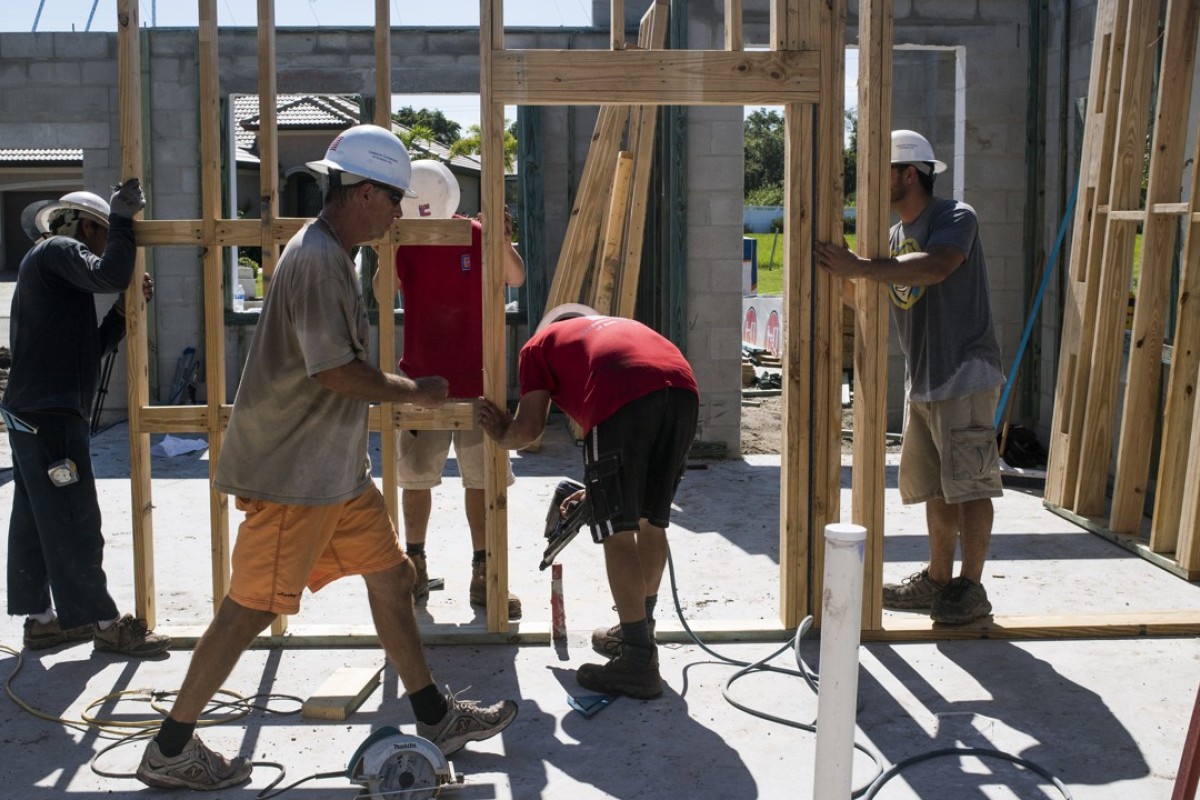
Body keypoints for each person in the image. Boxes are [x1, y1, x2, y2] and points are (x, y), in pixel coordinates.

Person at [136, 125, 517, 792]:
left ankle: (434, 716)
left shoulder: (330, 255)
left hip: (334, 473)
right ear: (364, 193)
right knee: (249, 609)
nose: (400, 213)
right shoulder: (316, 261)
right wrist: (414, 391)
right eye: (394, 199)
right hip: (295, 476)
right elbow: (334, 371)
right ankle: (171, 746)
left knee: (393, 578)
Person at [814, 129, 1004, 625]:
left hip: (964, 372)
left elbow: (937, 267)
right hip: (923, 380)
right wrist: (836, 281)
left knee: (971, 485)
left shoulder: (953, 217)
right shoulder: (895, 237)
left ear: (908, 174)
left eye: (881, 172)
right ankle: (938, 579)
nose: (871, 183)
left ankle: (971, 588)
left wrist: (862, 265)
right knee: (938, 488)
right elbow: (877, 294)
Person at [477, 305, 699, 699]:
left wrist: (500, 434)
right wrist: (598, 489)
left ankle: (636, 660)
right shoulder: (617, 328)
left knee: (617, 531)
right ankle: (639, 632)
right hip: (681, 389)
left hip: (624, 390)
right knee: (651, 519)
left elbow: (528, 429)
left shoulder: (538, 345)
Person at [4, 180, 170, 658]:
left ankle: (42, 622)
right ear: (87, 227)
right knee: (75, 516)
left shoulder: (54, 274)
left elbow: (86, 351)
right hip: (49, 415)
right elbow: (112, 273)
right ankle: (104, 622)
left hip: (37, 410)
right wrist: (124, 220)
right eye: (103, 234)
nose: (104, 247)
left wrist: (120, 315)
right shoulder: (57, 249)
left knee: (37, 516)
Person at [372, 159, 526, 619]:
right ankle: (413, 564)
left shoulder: (474, 233)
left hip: (479, 381)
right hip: (421, 383)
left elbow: (515, 277)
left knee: (482, 479)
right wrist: (385, 245)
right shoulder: (404, 242)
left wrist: (499, 236)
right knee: (416, 479)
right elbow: (383, 294)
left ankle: (486, 572)